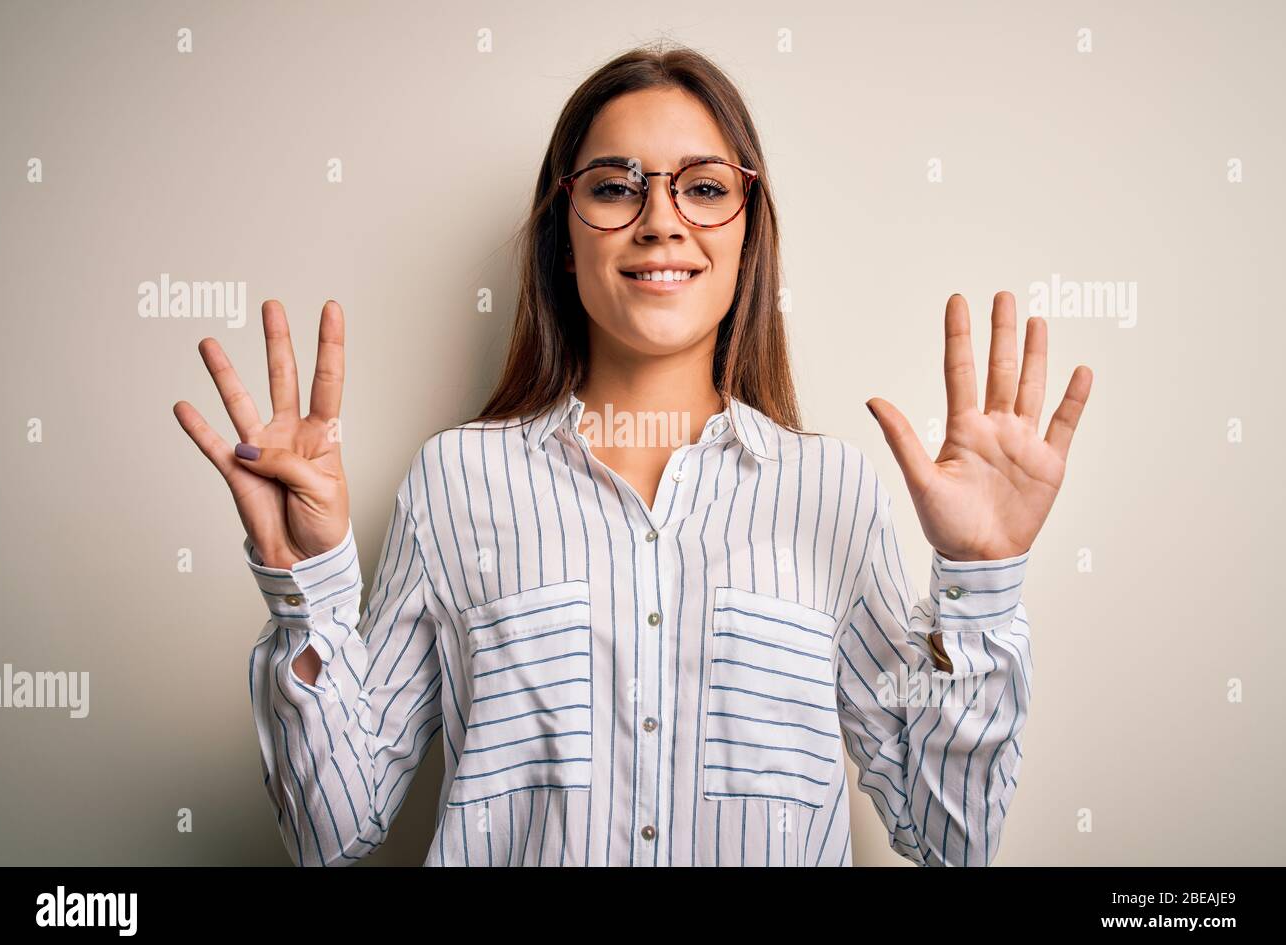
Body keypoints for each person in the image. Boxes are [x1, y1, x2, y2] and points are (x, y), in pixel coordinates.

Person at [172, 44, 1091, 867]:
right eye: (616, 187)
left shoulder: (832, 492)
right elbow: (331, 833)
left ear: (745, 232)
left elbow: (952, 838)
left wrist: (981, 578)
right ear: (563, 240)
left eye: (702, 186)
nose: (660, 220)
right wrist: (307, 583)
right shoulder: (456, 483)